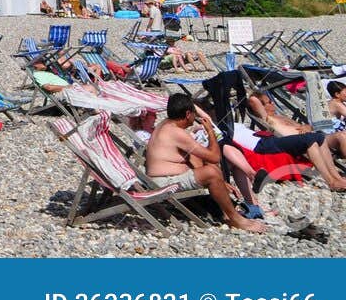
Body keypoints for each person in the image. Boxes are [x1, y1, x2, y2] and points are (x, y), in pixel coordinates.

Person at [145, 93, 264, 232]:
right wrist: (210, 131)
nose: (195, 118)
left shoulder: (165, 125)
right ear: (188, 114)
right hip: (163, 183)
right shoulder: (176, 132)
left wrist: (221, 181)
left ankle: (228, 211)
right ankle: (235, 219)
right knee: (211, 172)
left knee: (209, 167)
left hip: (165, 179)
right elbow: (214, 157)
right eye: (194, 114)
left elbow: (197, 158)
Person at [243, 93, 346, 189]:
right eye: (269, 102)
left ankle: (337, 178)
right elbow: (253, 100)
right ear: (261, 107)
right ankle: (331, 181)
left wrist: (307, 127)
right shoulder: (266, 118)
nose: (273, 103)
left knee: (337, 135)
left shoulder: (280, 117)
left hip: (310, 136)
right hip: (300, 144)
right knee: (324, 138)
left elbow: (301, 127)